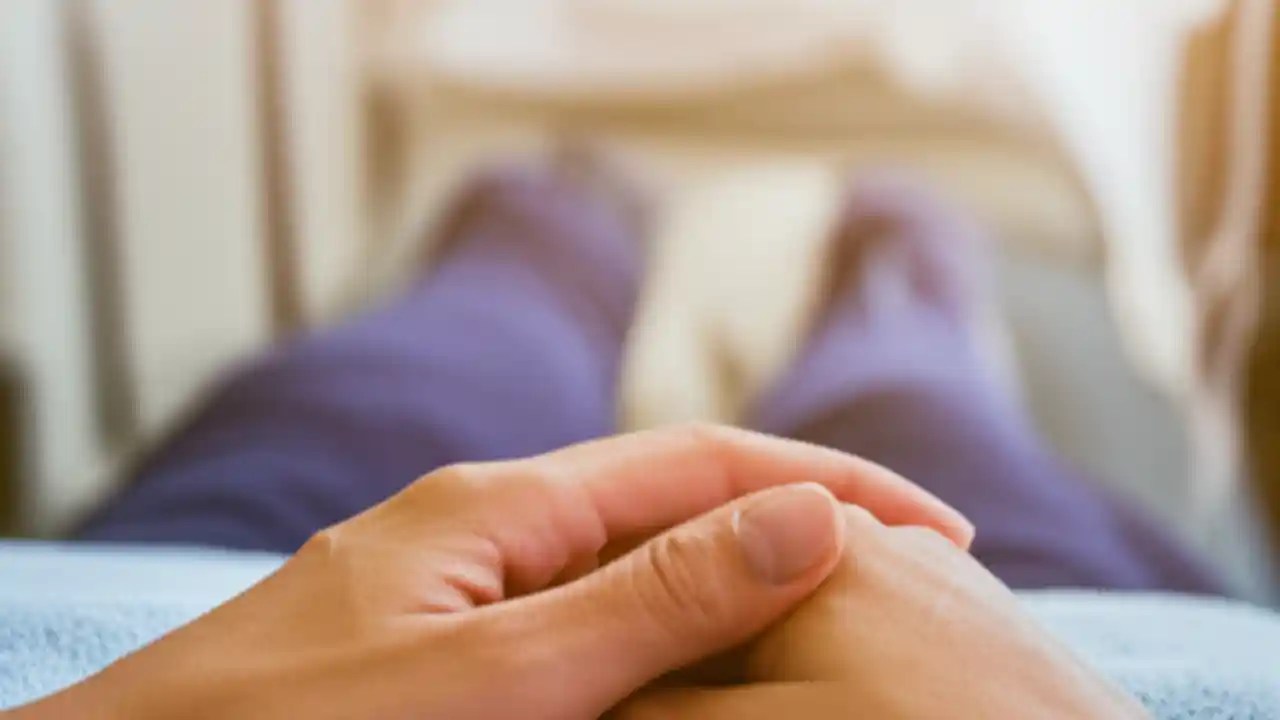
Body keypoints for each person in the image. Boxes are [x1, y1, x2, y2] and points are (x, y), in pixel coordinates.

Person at [12, 156, 1222, 718]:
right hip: (1074, 641)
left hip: (167, 603)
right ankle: (899, 257)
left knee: (443, 354)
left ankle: (553, 216)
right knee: (917, 412)